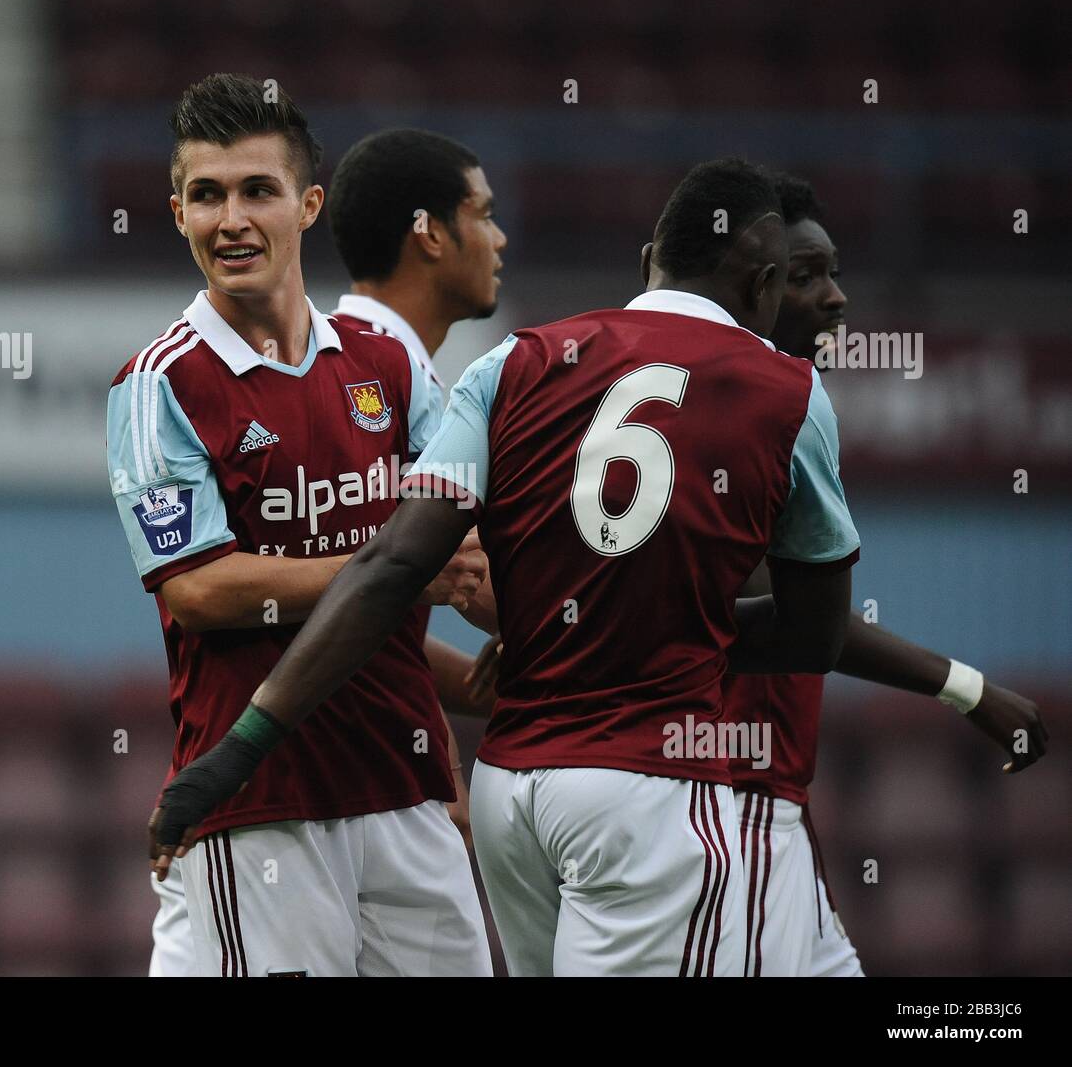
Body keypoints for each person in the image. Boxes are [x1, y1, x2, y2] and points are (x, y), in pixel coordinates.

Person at [152, 158, 863, 976]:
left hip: (511, 792)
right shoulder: (789, 391)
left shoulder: (509, 365)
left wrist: (240, 745)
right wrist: (665, 629)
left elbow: (388, 569)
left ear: (646, 265)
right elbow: (816, 631)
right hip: (646, 780)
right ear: (767, 282)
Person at [110, 73, 492, 976]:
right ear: (176, 213)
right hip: (263, 808)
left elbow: (462, 557)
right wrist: (392, 563)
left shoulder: (385, 360)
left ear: (308, 204)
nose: (231, 218)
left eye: (257, 191)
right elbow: (200, 590)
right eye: (206, 195)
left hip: (407, 799)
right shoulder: (158, 383)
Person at [724, 170, 1048, 977]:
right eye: (805, 278)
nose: (836, 298)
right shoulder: (736, 422)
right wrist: (969, 689)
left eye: (834, 272)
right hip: (721, 809)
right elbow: (799, 621)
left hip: (774, 811)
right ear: (753, 288)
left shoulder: (785, 406)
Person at [329, 126, 507, 847]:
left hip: (368, 779)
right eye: (484, 214)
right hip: (359, 793)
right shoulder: (390, 388)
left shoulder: (349, 366)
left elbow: (368, 611)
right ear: (430, 234)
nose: (498, 239)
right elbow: (463, 578)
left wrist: (484, 691)